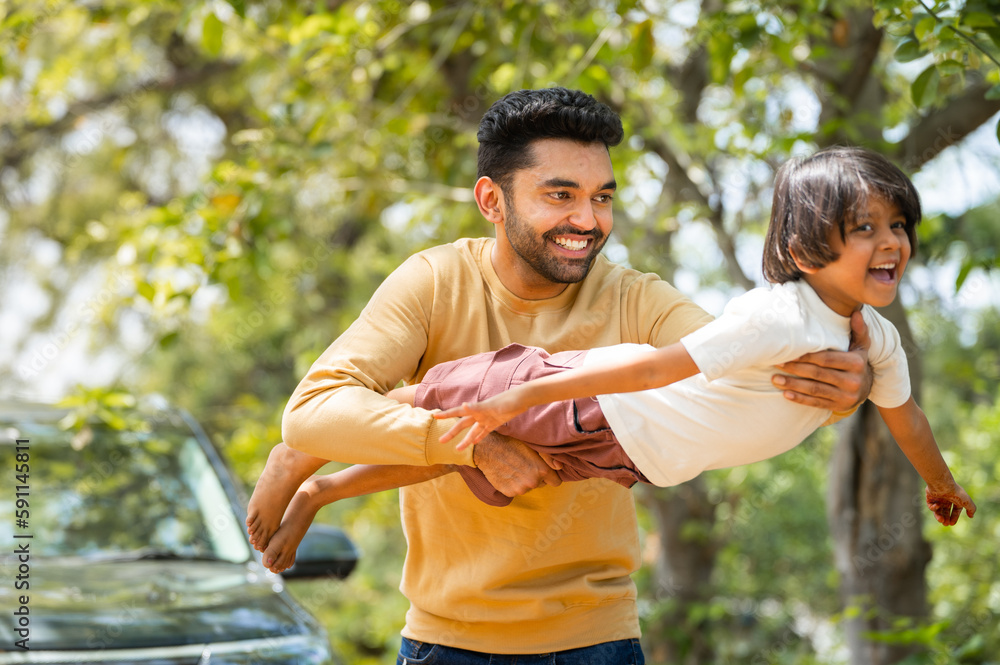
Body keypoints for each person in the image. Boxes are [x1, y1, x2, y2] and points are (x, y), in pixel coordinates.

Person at [248, 88, 872, 664]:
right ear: (492, 200)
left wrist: (850, 385)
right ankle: (302, 465)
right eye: (560, 194)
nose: (588, 219)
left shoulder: (637, 300)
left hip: (596, 638)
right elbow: (313, 410)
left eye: (603, 197)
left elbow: (750, 370)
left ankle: (311, 476)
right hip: (447, 642)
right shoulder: (435, 282)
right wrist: (476, 444)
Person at [250, 146, 976, 575]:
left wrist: (938, 482)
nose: (891, 242)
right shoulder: (777, 315)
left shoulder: (872, 338)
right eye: (864, 229)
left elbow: (904, 416)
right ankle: (302, 453)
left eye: (899, 225)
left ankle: (323, 492)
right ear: (801, 250)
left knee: (464, 454)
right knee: (451, 410)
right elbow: (655, 369)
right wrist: (515, 398)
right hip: (591, 399)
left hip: (632, 455)